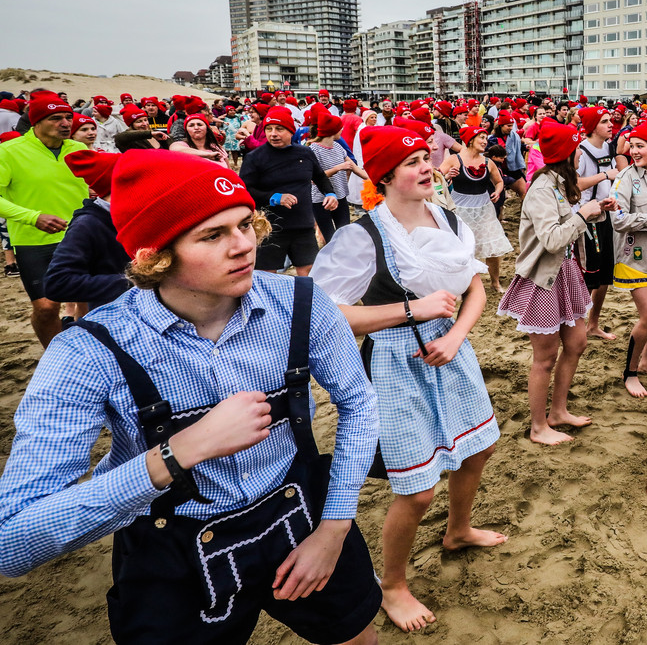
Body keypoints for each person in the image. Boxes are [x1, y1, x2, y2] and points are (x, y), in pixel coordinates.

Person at [0, 149, 381, 645]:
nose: (243, 245)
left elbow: (358, 403)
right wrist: (177, 453)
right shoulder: (90, 351)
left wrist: (333, 529)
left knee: (354, 634)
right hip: (171, 546)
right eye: (213, 234)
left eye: (246, 223)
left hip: (302, 516)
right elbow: (13, 539)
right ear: (153, 254)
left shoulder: (300, 303)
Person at [311, 126, 502, 633]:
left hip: (450, 350)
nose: (426, 166)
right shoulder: (361, 236)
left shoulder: (448, 217)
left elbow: (475, 287)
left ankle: (457, 531)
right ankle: (392, 584)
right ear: (386, 175)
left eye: (426, 157)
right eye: (413, 161)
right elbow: (327, 315)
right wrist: (409, 309)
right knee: (417, 491)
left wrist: (458, 335)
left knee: (478, 448)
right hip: (394, 362)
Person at [497, 120, 606, 445]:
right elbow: (552, 239)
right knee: (544, 358)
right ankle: (538, 426)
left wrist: (596, 209)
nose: (580, 154)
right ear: (567, 153)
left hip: (565, 272)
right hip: (543, 280)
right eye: (576, 148)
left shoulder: (558, 183)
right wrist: (583, 214)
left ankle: (557, 412)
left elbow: (566, 225)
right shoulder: (543, 189)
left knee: (576, 344)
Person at [0, 96, 88, 346]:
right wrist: (33, 217)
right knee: (47, 308)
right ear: (36, 122)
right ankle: (54, 354)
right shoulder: (9, 152)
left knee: (87, 300)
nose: (65, 123)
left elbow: (93, 187)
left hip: (79, 236)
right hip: (34, 242)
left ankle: (85, 350)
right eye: (56, 118)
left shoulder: (79, 150)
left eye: (68, 117)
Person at [239, 107, 337, 277]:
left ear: (291, 131)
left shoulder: (305, 153)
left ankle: (307, 303)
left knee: (309, 272)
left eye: (279, 129)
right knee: (268, 274)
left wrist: (330, 193)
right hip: (270, 227)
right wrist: (273, 197)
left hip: (303, 225)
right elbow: (245, 190)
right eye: (269, 129)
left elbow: (320, 177)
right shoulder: (255, 157)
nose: (273, 134)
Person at [610, 120, 647, 398]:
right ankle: (630, 373)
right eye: (631, 145)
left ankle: (646, 363)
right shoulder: (625, 178)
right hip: (633, 259)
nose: (633, 151)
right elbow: (618, 220)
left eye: (640, 146)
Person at [43, 151, 130, 310]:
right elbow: (57, 283)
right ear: (119, 184)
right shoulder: (87, 224)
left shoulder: (134, 214)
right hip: (113, 316)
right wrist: (132, 282)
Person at [575, 107, 621, 340]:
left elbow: (612, 181)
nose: (611, 124)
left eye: (610, 121)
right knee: (588, 276)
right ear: (592, 127)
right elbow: (576, 185)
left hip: (606, 216)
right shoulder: (582, 151)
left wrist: (613, 198)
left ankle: (593, 324)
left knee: (604, 277)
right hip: (587, 219)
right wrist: (605, 175)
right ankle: (577, 327)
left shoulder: (607, 148)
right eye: (604, 122)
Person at [449, 125, 513, 292]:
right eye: (481, 138)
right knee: (461, 247)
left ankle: (495, 283)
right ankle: (462, 285)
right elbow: (437, 178)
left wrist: (498, 191)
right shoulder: (454, 159)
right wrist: (447, 177)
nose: (485, 142)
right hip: (460, 208)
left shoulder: (487, 162)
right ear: (470, 140)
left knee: (492, 246)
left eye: (486, 138)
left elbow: (499, 181)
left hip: (484, 207)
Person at [307, 110, 361, 244]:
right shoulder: (313, 149)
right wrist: (338, 168)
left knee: (344, 232)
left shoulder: (338, 147)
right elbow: (313, 178)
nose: (342, 131)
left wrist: (375, 179)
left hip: (341, 196)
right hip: (321, 200)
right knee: (330, 237)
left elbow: (355, 168)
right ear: (332, 131)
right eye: (340, 128)